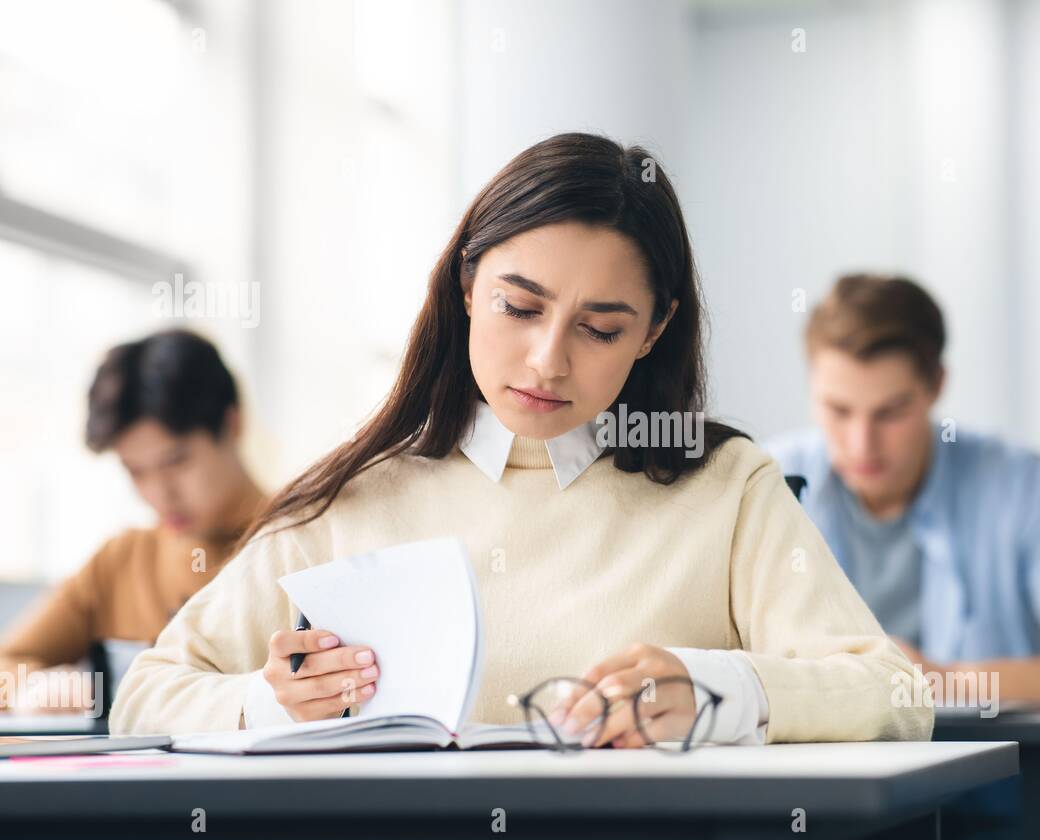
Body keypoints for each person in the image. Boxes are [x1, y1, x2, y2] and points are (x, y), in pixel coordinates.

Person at [109, 133, 932, 761]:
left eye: (600, 328)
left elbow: (896, 693)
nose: (547, 361)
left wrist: (720, 691)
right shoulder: (354, 493)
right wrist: (271, 701)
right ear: (468, 289)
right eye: (518, 307)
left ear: (655, 332)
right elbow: (145, 697)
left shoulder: (725, 488)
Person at [767, 275, 1040, 840]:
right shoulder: (767, 481)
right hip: (816, 825)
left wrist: (940, 683)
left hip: (993, 827)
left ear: (936, 386)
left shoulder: (1019, 486)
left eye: (891, 411)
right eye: (838, 410)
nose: (861, 444)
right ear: (812, 390)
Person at [0, 329, 265, 713]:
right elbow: (7, 667)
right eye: (135, 471)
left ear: (232, 424)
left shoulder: (303, 541)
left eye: (176, 461)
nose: (159, 494)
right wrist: (33, 689)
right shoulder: (120, 562)